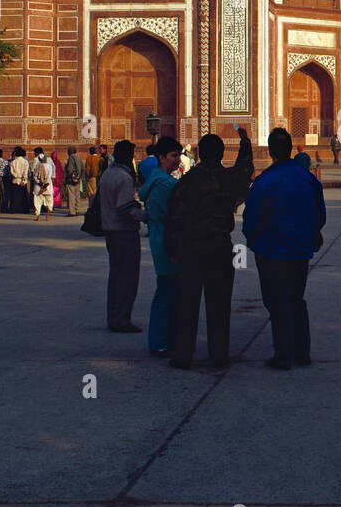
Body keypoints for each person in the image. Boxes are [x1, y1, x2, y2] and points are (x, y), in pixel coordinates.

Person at [166, 127, 254, 369]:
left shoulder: (187, 181)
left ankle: (183, 355)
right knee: (219, 303)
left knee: (187, 303)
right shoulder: (228, 180)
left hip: (191, 249)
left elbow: (173, 218)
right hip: (219, 248)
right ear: (222, 153)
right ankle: (219, 353)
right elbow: (245, 170)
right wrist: (245, 142)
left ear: (200, 154)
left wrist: (171, 249)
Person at [242, 127, 325, 370]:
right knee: (296, 300)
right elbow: (320, 215)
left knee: (277, 302)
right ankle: (302, 353)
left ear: (270, 151)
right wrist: (309, 234)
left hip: (271, 252)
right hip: (299, 250)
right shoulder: (308, 178)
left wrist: (254, 240)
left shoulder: (265, 181)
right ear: (290, 148)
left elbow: (252, 219)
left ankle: (283, 355)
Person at [140, 137, 184, 358]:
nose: (178, 160)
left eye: (178, 155)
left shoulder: (156, 180)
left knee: (166, 291)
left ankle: (162, 339)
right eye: (173, 155)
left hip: (160, 237)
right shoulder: (167, 184)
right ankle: (160, 341)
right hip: (168, 240)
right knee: (168, 293)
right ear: (161, 157)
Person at [99, 139, 143, 332]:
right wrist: (145, 216)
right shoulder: (124, 178)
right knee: (127, 277)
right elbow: (125, 209)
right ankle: (122, 320)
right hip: (124, 232)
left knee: (116, 275)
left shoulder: (108, 174)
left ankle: (113, 317)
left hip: (110, 230)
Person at [30, 148, 54, 221]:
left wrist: (40, 183)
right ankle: (47, 217)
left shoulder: (37, 166)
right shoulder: (49, 166)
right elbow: (49, 176)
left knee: (37, 202)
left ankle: (38, 217)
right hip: (47, 186)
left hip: (38, 187)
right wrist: (45, 185)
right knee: (49, 201)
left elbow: (34, 176)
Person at [63, 146, 86, 216]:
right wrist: (80, 177)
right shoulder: (79, 158)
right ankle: (77, 210)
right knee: (77, 195)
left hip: (71, 180)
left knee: (71, 196)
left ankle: (72, 211)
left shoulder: (70, 158)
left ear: (70, 152)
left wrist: (69, 177)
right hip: (78, 179)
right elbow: (83, 168)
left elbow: (69, 169)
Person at [9, 147, 30, 212]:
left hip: (15, 180)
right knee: (23, 195)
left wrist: (16, 176)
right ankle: (24, 209)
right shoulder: (25, 161)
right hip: (23, 180)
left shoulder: (12, 162)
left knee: (15, 196)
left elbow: (12, 172)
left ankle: (14, 209)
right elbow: (25, 172)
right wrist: (24, 179)